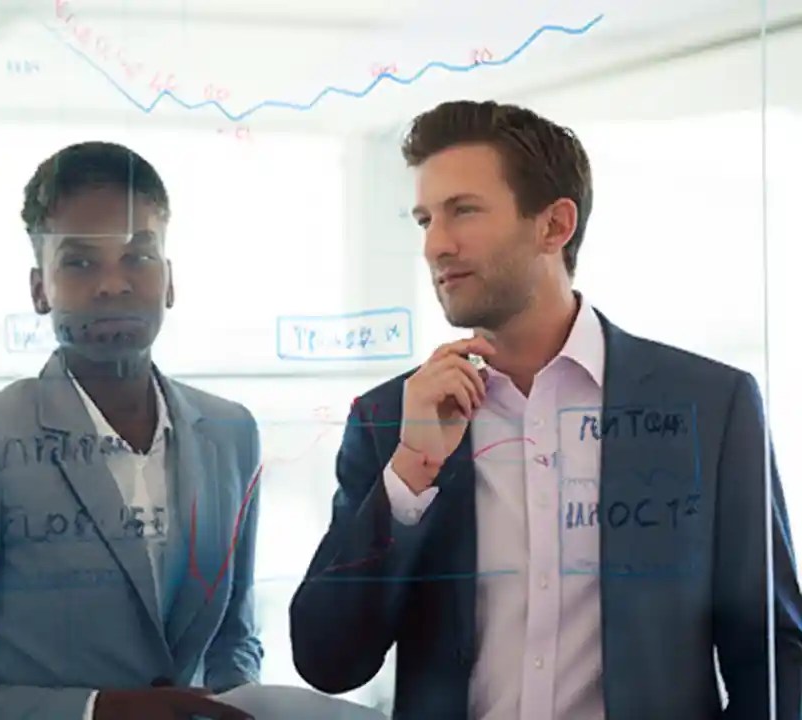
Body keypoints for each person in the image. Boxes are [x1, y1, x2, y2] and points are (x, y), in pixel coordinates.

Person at [289, 99, 802, 719]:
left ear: (555, 225)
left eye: (464, 212)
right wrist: (410, 472)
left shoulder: (711, 406)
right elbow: (327, 659)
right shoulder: (391, 419)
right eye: (424, 219)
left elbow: (771, 656)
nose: (435, 245)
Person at [0, 141, 263, 720]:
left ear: (170, 278)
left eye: (139, 256)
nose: (113, 284)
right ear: (40, 289)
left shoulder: (231, 434)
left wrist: (238, 700)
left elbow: (235, 635)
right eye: (80, 262)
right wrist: (98, 712)